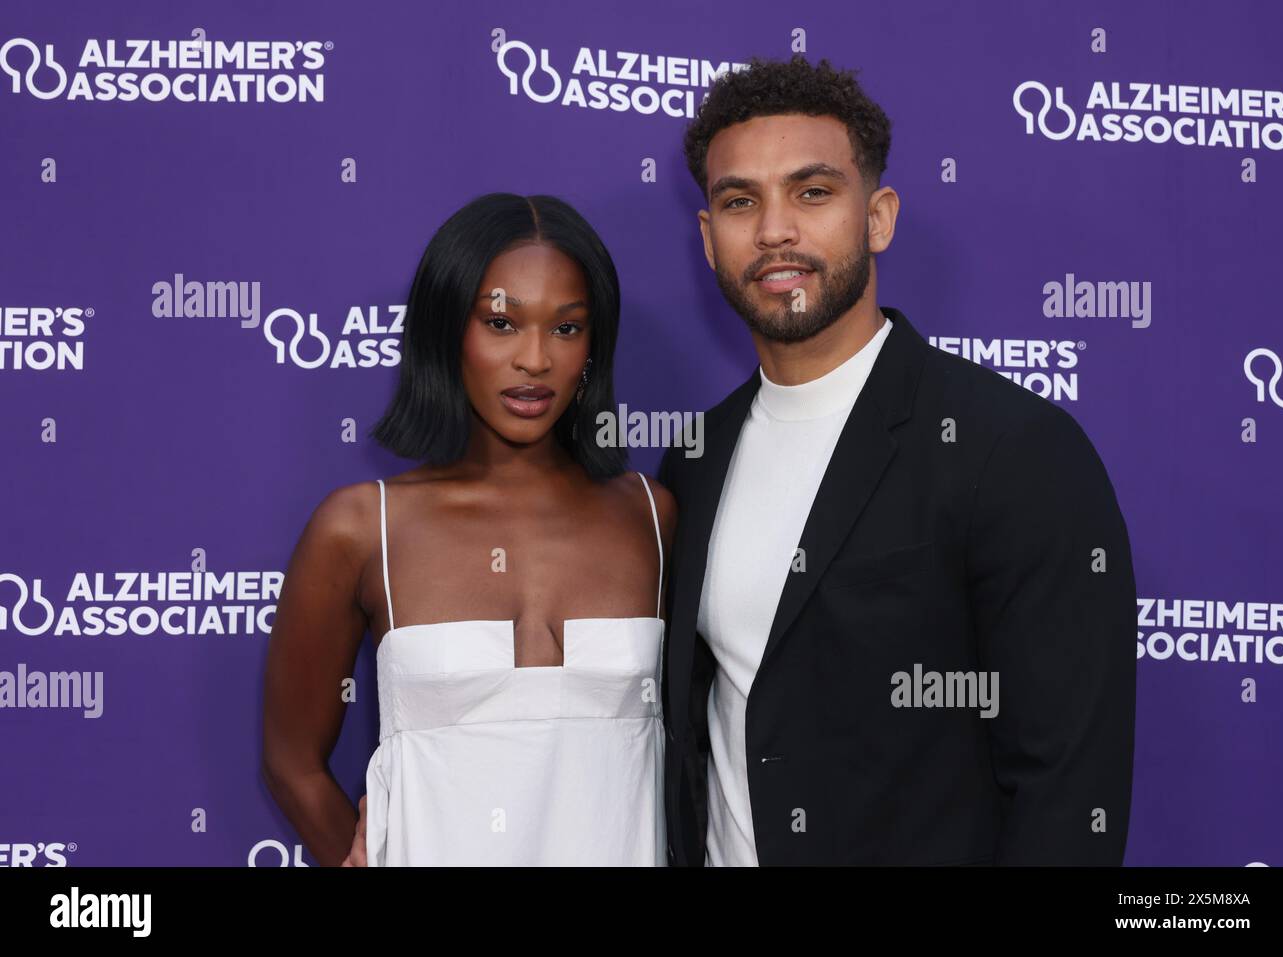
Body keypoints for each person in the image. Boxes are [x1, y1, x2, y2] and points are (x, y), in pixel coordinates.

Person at [656, 55, 1137, 865]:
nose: (775, 229)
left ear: (878, 217)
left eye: (813, 192)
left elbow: (1067, 788)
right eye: (740, 201)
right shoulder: (693, 458)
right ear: (709, 240)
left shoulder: (1012, 449)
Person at [261, 192, 676, 866]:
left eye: (566, 328)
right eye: (502, 323)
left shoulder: (650, 516)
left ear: (594, 346)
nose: (536, 359)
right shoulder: (363, 528)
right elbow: (291, 760)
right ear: (448, 330)